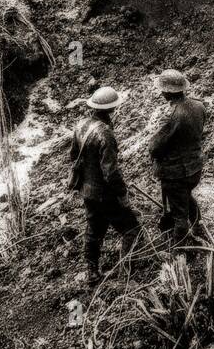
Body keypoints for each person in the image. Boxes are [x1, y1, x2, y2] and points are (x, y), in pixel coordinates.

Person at [68, 86, 140, 283]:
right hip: (105, 194)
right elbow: (111, 173)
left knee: (94, 229)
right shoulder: (106, 134)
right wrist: (123, 194)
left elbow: (73, 156)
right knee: (131, 229)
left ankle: (92, 272)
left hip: (87, 191)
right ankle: (126, 275)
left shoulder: (81, 124)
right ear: (111, 109)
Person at [149, 69, 207, 247]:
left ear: (167, 92)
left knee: (178, 214)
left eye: (162, 90)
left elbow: (155, 147)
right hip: (195, 168)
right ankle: (198, 226)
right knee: (185, 197)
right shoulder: (199, 106)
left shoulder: (172, 116)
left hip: (176, 174)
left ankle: (179, 248)